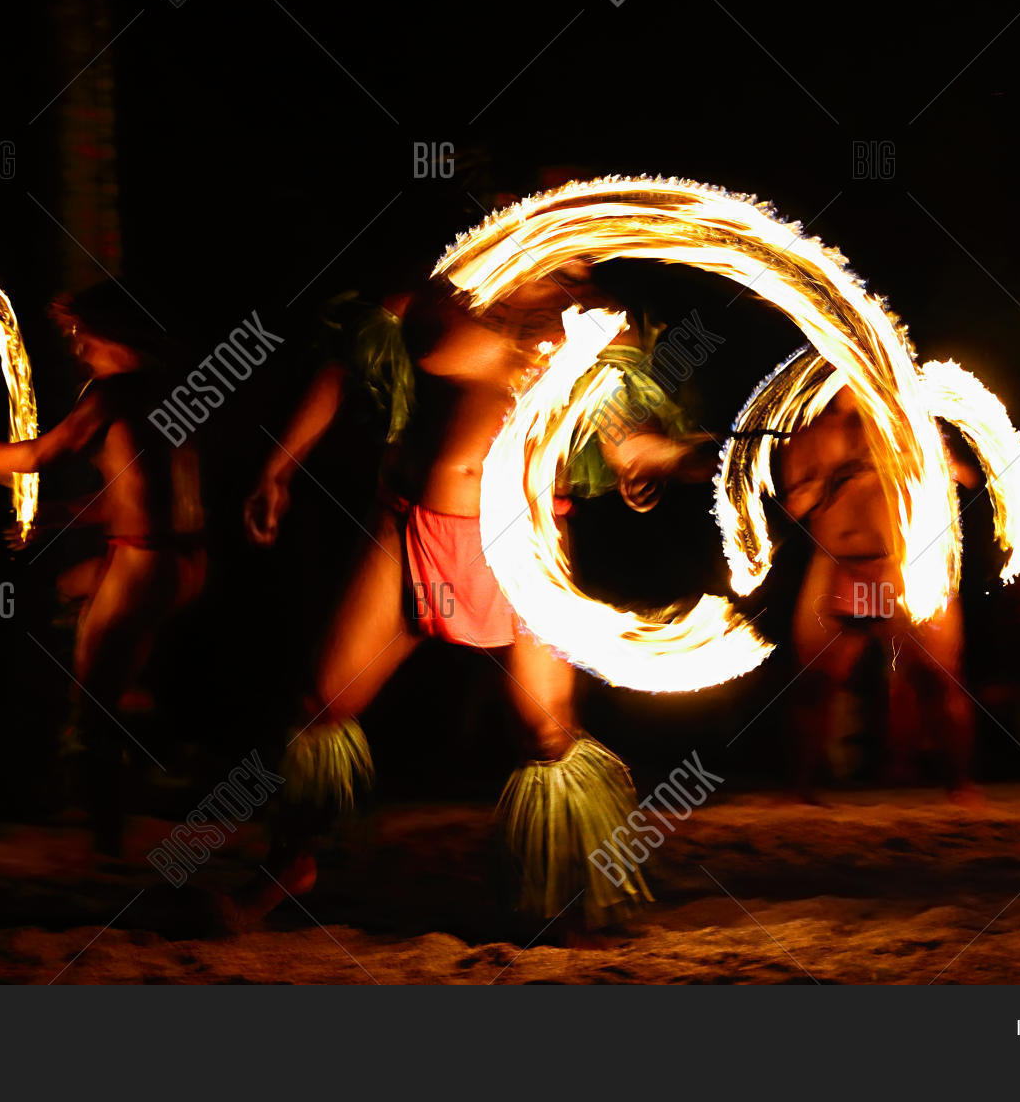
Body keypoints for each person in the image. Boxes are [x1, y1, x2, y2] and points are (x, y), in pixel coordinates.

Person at [235, 259, 713, 933]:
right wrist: (277, 468)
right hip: (408, 525)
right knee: (324, 701)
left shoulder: (599, 321)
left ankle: (568, 894)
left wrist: (685, 457)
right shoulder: (431, 295)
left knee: (545, 733)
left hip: (522, 540)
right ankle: (290, 863)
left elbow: (627, 440)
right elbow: (344, 368)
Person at [0, 282, 207, 854]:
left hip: (144, 564)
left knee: (94, 701)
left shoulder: (112, 395)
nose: (73, 344)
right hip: (182, 558)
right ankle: (140, 715)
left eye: (75, 332)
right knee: (65, 594)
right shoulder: (168, 390)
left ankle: (108, 831)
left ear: (101, 331)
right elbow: (131, 495)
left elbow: (38, 457)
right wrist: (55, 518)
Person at [775, 382, 981, 803]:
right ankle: (800, 788)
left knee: (939, 679)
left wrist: (919, 465)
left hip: (903, 565)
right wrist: (837, 477)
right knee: (813, 684)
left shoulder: (908, 427)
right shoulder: (809, 434)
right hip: (837, 567)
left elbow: (965, 475)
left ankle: (961, 785)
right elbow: (794, 504)